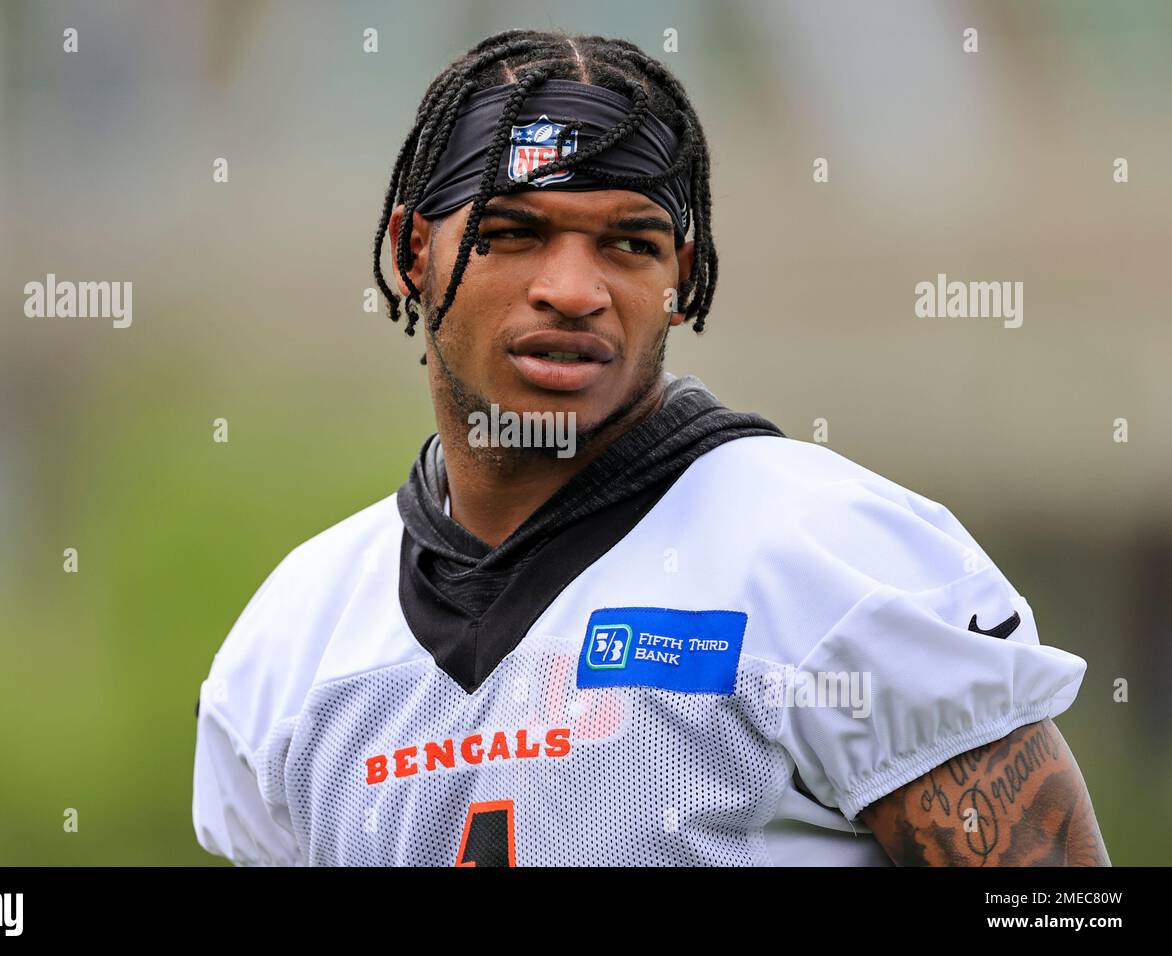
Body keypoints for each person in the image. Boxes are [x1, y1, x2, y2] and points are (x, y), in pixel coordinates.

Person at [192, 29, 1109, 866]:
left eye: (630, 243)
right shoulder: (294, 641)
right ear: (410, 248)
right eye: (515, 233)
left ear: (681, 276)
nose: (572, 289)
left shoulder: (833, 559)